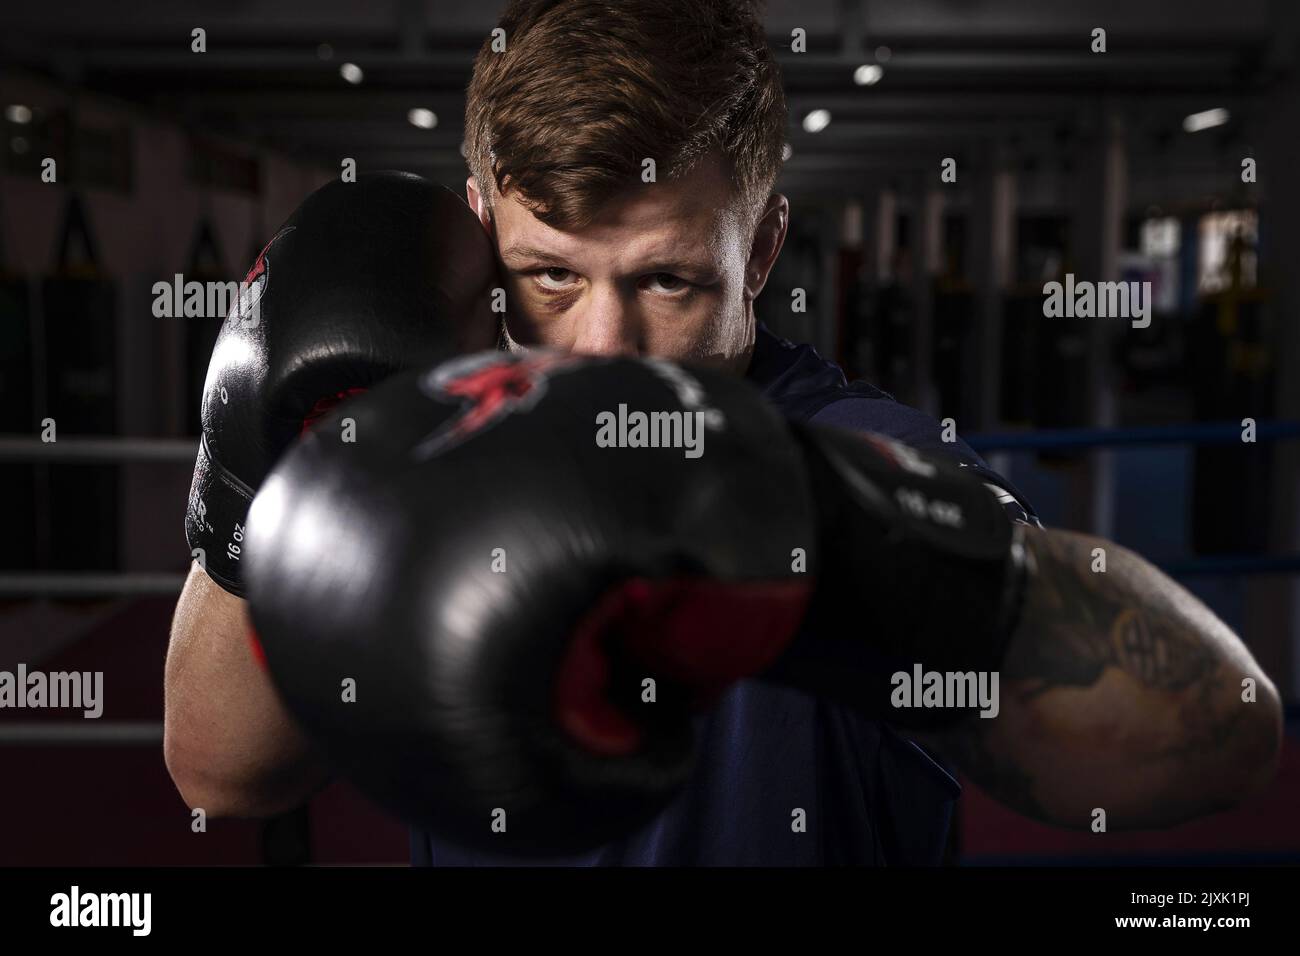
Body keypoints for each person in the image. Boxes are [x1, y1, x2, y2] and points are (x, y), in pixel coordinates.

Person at [165, 0, 1282, 865]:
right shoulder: (417, 438)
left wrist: (828, 535)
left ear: (760, 250)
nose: (602, 348)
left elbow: (1219, 732)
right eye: (548, 275)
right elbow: (217, 772)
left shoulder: (863, 448)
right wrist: (263, 466)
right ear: (478, 229)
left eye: (666, 278)